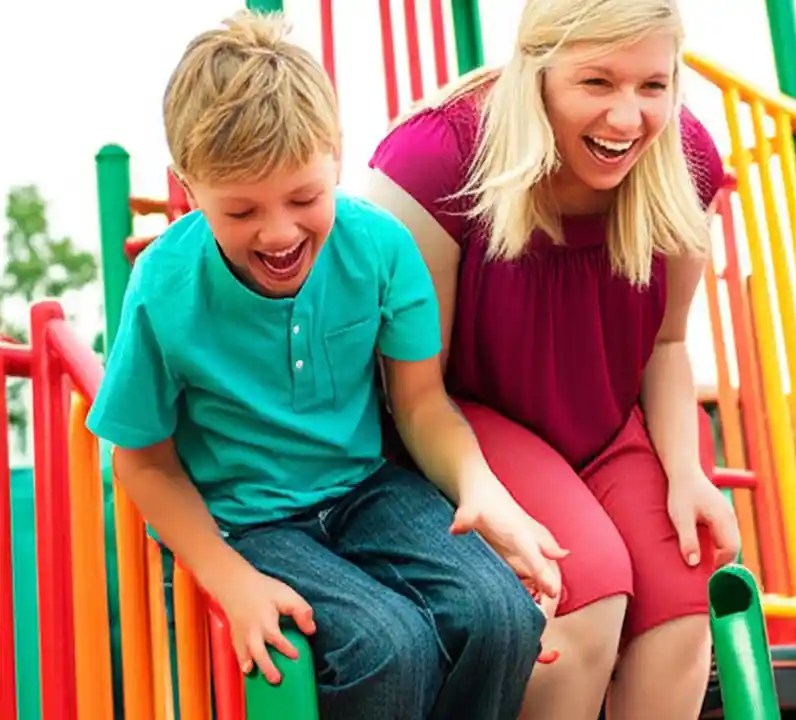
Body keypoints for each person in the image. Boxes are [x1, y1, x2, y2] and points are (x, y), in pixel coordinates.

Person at [87, 12, 561, 720]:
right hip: (248, 522)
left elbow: (422, 404)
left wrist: (478, 484)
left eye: (304, 198)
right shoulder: (165, 285)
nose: (278, 232)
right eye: (242, 210)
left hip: (367, 490)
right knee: (387, 648)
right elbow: (142, 462)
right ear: (190, 184)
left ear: (335, 155)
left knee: (503, 615)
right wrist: (229, 577)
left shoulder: (379, 248)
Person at [363, 0, 742, 717]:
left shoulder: (685, 159)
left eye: (652, 86)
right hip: (465, 417)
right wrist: (482, 490)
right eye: (597, 83)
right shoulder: (437, 161)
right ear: (537, 70)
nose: (628, 119)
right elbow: (412, 390)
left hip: (605, 424)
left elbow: (665, 346)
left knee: (683, 597)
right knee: (585, 590)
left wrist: (688, 472)